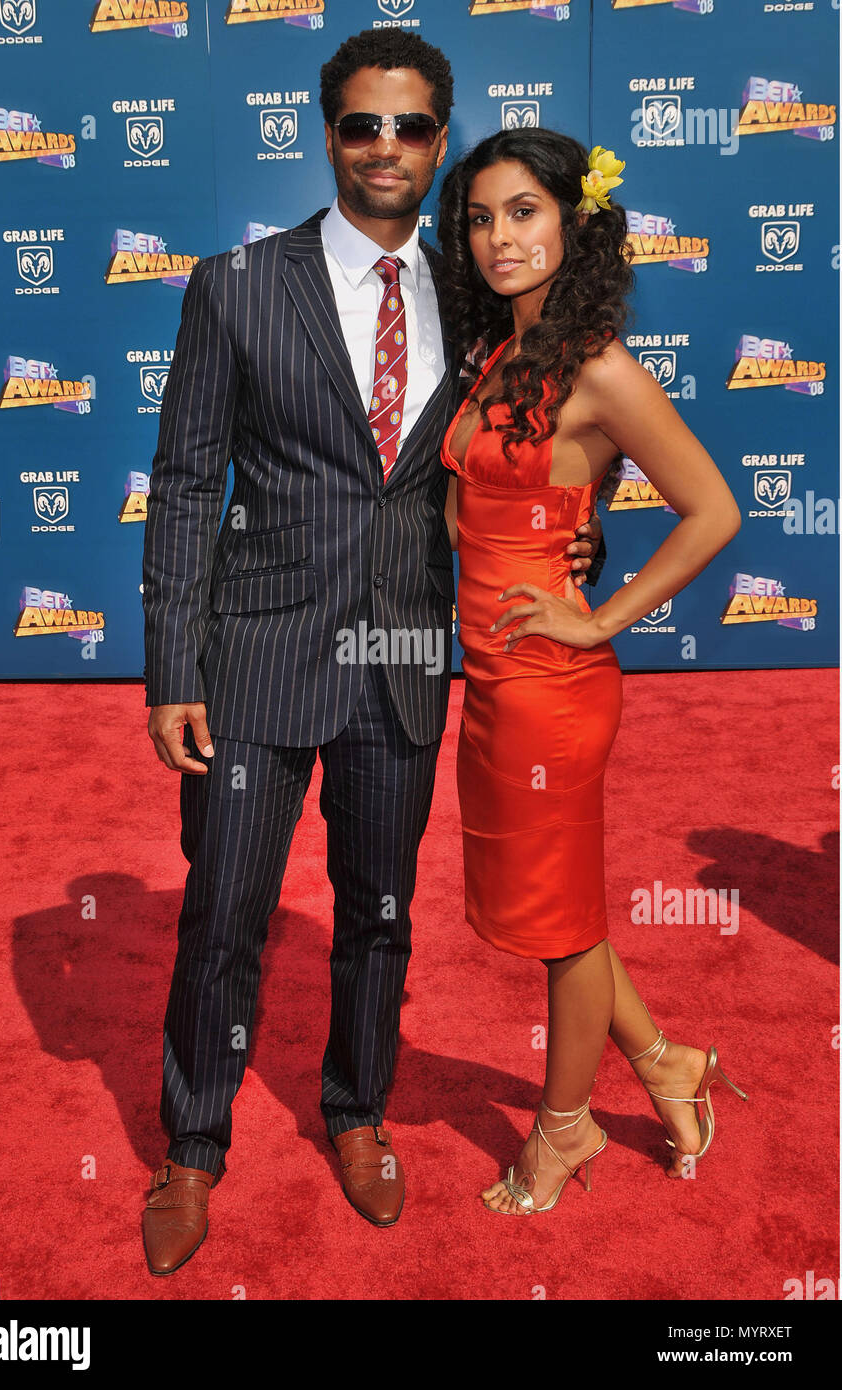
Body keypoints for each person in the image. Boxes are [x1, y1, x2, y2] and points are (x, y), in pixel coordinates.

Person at [139, 33, 603, 1272]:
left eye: (408, 128)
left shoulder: (474, 292)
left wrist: (578, 531)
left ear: (440, 140)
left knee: (377, 915)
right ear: (327, 133)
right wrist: (174, 669)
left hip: (403, 650)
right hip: (255, 655)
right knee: (223, 912)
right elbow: (185, 486)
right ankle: (192, 1142)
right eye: (361, 126)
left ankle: (357, 1110)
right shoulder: (233, 285)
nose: (384, 149)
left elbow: (537, 436)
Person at [435, 128, 748, 1215]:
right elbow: (509, 497)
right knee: (552, 906)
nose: (499, 238)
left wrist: (597, 616)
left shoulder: (601, 365)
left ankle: (561, 1134)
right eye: (479, 217)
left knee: (560, 925)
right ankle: (670, 1064)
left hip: (550, 688)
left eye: (523, 212)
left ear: (575, 221)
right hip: (488, 678)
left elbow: (713, 509)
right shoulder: (494, 350)